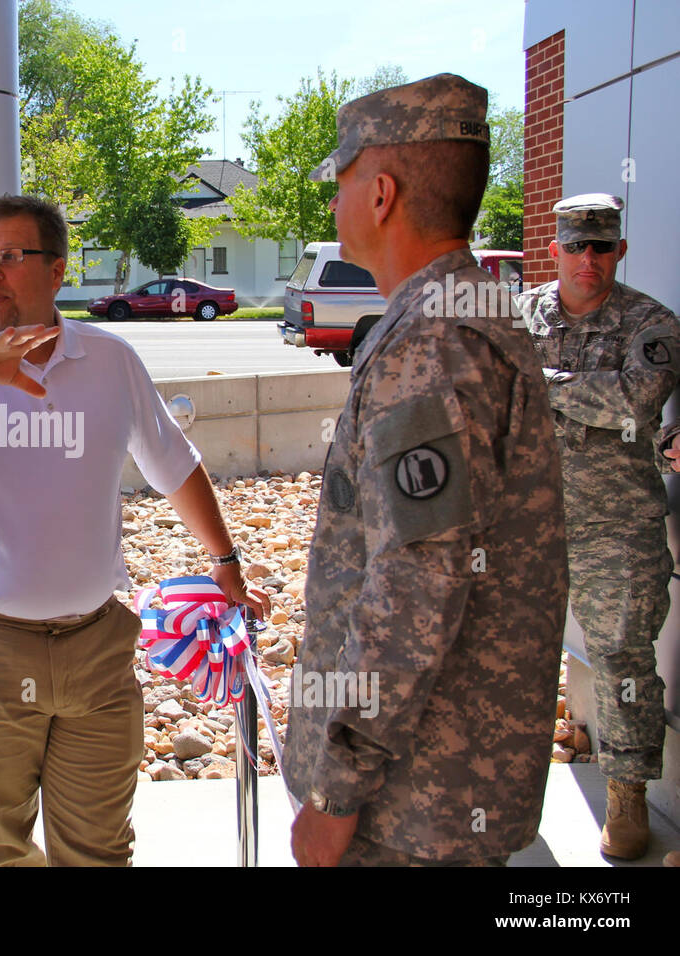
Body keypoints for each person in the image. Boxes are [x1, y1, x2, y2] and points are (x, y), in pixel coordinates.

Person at [0, 194, 270, 866]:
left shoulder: (110, 361)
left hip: (95, 648)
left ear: (56, 271)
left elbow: (176, 466)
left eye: (10, 257)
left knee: (100, 850)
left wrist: (226, 562)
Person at [285, 73, 568, 866]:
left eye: (338, 185)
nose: (331, 207)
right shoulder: (462, 313)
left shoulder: (431, 343)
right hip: (443, 784)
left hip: (412, 806)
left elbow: (418, 581)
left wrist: (338, 790)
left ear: (380, 194)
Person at [518, 194, 680, 860]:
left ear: (620, 250)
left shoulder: (652, 323)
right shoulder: (518, 315)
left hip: (617, 527)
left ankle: (626, 800)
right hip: (524, 525)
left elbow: (632, 400)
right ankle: (509, 800)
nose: (590, 259)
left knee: (621, 665)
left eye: (602, 246)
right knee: (514, 661)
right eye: (577, 246)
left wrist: (543, 379)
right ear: (554, 250)